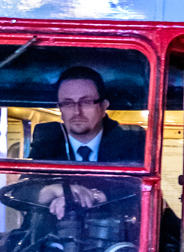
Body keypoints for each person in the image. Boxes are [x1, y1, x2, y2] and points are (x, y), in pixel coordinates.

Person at [28, 65, 145, 220]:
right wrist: (55, 190)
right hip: (55, 238)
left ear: (103, 107)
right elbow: (25, 190)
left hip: (117, 235)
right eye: (68, 103)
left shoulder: (130, 138)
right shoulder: (48, 138)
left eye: (86, 102)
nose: (77, 112)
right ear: (59, 108)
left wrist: (91, 196)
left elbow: (139, 190)